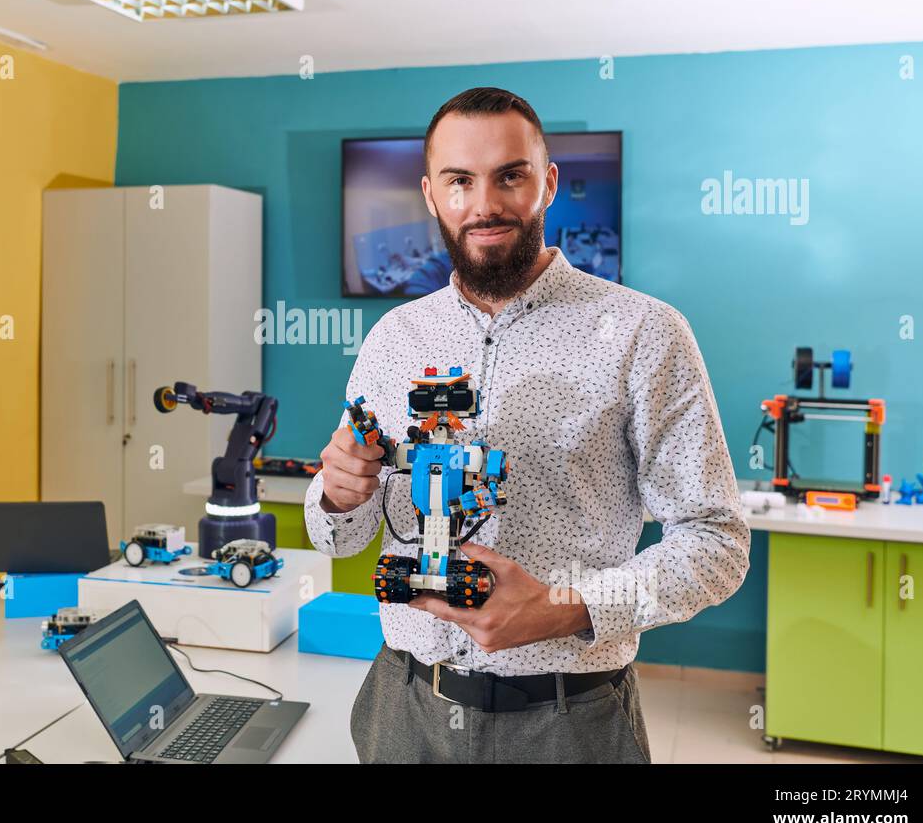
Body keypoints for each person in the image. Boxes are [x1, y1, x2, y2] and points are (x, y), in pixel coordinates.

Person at [303, 86, 749, 763]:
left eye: (510, 176)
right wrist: (338, 492)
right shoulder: (393, 338)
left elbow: (717, 543)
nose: (484, 204)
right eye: (460, 181)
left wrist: (568, 607)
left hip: (568, 722)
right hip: (404, 709)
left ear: (548, 184)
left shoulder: (644, 332)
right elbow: (340, 536)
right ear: (431, 195)